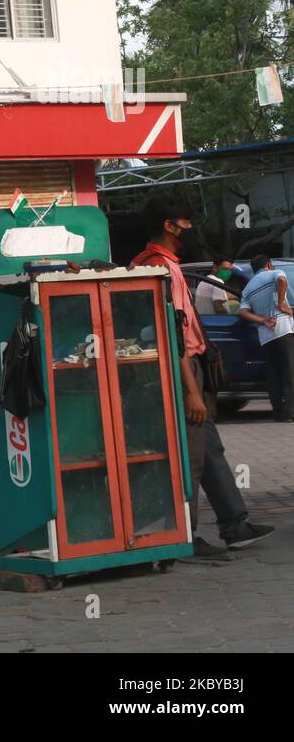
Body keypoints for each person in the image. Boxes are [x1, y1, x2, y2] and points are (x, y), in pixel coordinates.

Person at [132, 199, 274, 554]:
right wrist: (192, 392)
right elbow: (172, 336)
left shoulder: (157, 265)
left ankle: (235, 525)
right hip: (179, 372)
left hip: (183, 368)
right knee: (191, 456)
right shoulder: (159, 268)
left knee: (209, 449)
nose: (192, 229)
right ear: (170, 225)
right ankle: (183, 536)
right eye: (187, 221)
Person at [239, 254, 294, 423]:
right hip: (283, 330)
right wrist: (281, 303)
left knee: (274, 374)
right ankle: (290, 412)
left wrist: (262, 320)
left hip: (265, 336)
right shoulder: (273, 273)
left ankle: (277, 412)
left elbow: (243, 312)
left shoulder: (248, 288)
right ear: (269, 264)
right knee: (289, 372)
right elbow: (282, 279)